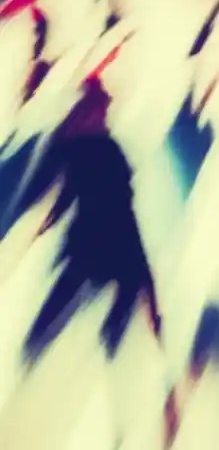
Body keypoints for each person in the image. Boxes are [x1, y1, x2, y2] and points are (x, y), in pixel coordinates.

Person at [19, 78, 162, 365]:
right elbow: (116, 198)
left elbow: (69, 193)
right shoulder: (103, 148)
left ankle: (35, 340)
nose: (106, 116)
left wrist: (50, 220)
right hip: (114, 231)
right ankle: (111, 338)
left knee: (74, 283)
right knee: (130, 281)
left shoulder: (76, 148)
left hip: (89, 233)